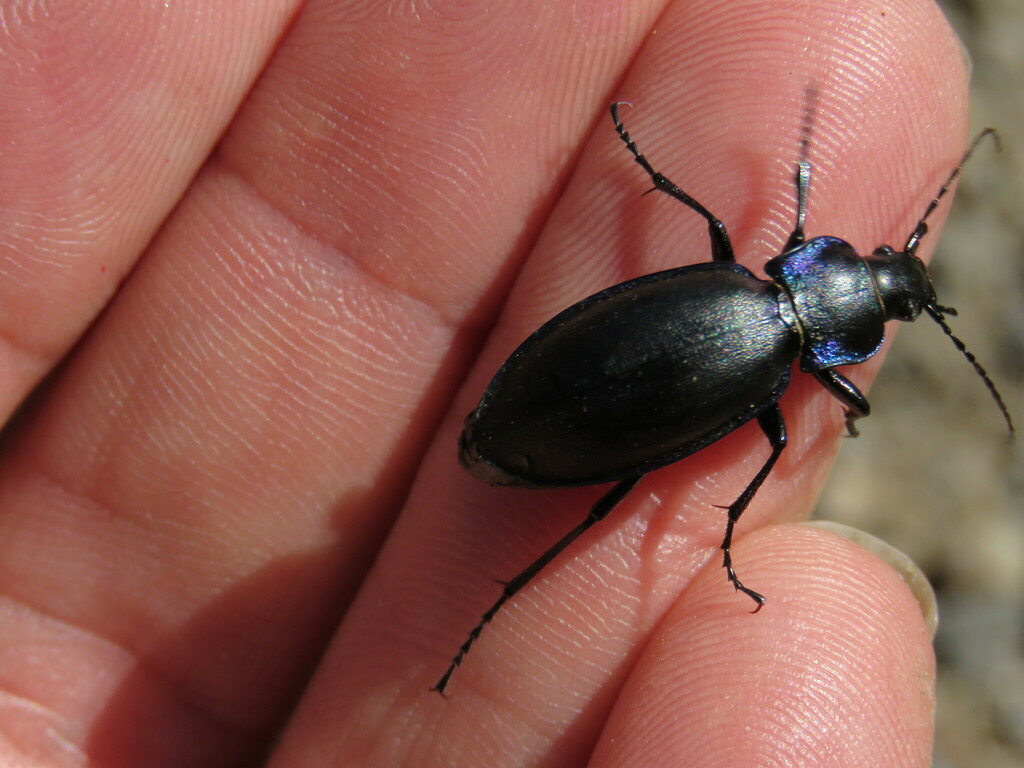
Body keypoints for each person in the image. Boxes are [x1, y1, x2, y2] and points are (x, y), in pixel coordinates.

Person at [0, 0, 965, 765]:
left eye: (889, 270)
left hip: (557, 381)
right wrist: (741, 514)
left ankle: (499, 601)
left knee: (619, 485)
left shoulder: (750, 290)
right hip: (566, 400)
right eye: (894, 263)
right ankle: (507, 598)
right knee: (642, 494)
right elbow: (825, 402)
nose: (890, 265)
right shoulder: (781, 368)